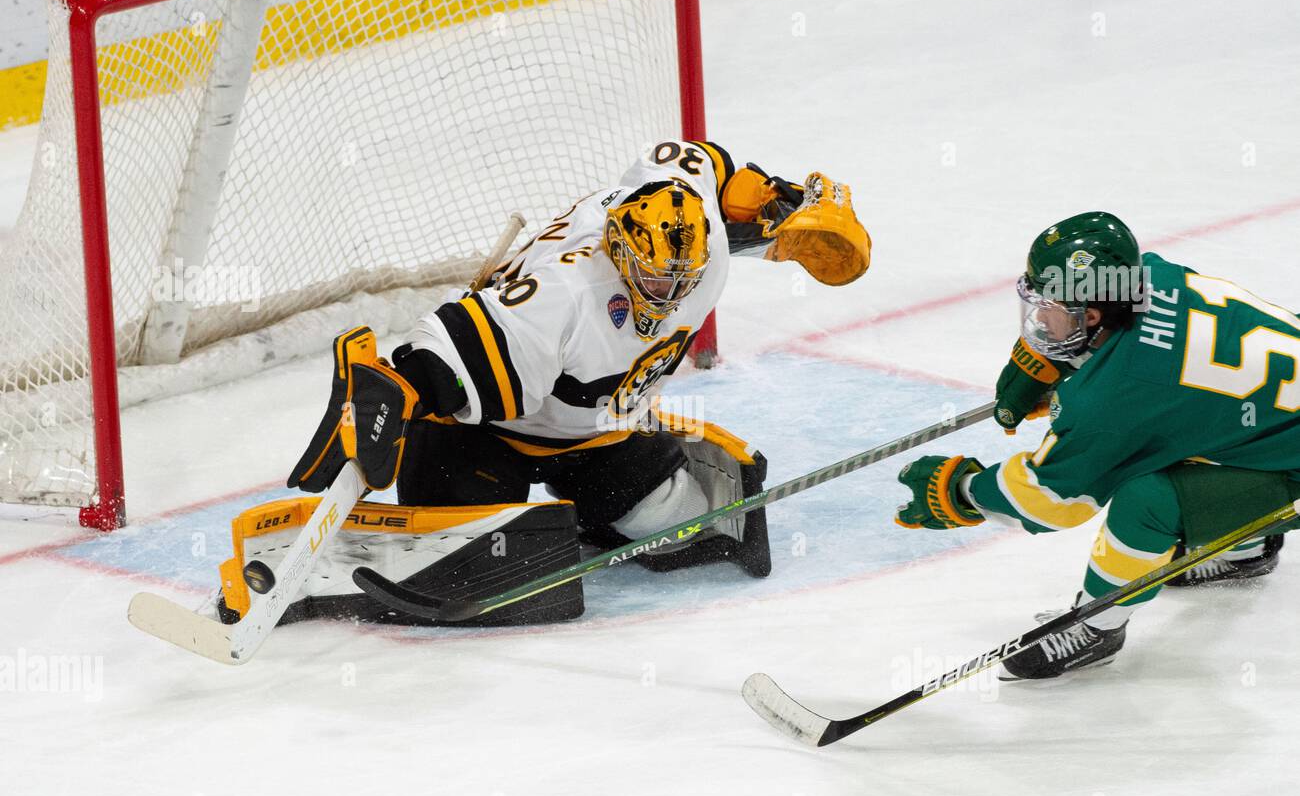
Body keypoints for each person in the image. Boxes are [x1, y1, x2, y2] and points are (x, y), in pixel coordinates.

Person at [217, 142, 871, 627]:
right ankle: (339, 561)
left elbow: (708, 165)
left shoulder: (694, 234)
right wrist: (386, 400)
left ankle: (590, 501)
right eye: (648, 280)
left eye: (680, 282)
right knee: (493, 566)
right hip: (485, 435)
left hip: (598, 428)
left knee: (695, 531)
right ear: (618, 245)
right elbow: (441, 359)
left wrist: (783, 201)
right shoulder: (565, 291)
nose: (665, 298)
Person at [895, 211, 1299, 679]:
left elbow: (1051, 500)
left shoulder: (1115, 400)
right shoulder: (1152, 274)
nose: (1039, 317)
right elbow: (1160, 357)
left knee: (1147, 499)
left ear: (1089, 315)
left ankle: (1095, 628)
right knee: (1200, 425)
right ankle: (1244, 551)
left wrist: (961, 490)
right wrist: (1048, 358)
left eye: (1049, 307)